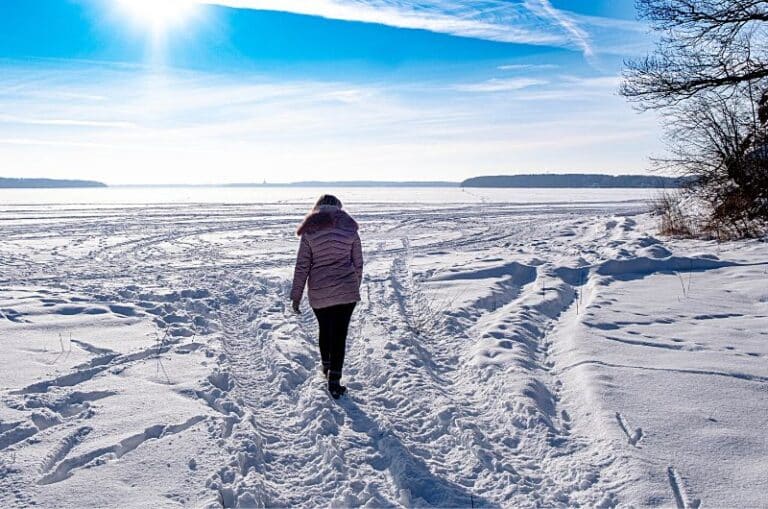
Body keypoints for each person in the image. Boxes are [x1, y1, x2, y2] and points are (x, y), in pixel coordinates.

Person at [291, 194, 363, 399]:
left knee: (325, 329)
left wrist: (296, 296)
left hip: (319, 290)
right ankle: (335, 381)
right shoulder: (349, 226)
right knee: (340, 335)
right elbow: (358, 262)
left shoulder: (310, 228)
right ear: (338, 207)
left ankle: (326, 367)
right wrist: (353, 285)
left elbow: (302, 265)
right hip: (346, 290)